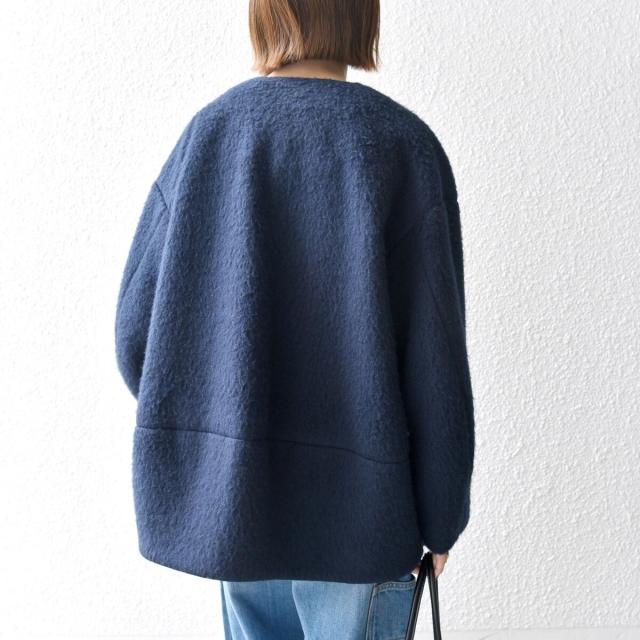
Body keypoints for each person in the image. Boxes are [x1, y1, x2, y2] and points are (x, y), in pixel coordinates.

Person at [114, 0, 475, 637]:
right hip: (364, 522)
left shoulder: (210, 137)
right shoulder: (403, 146)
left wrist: (222, 438)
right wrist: (442, 516)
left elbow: (136, 336)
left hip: (239, 513)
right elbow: (436, 363)